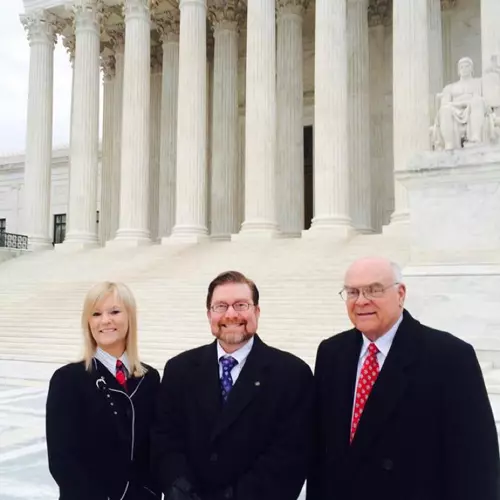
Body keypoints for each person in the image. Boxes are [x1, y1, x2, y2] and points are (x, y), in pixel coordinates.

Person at [307, 257, 500, 500]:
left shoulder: (449, 356)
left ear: (401, 293)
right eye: (352, 292)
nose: (361, 301)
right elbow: (320, 451)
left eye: (374, 290)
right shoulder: (332, 352)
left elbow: (476, 462)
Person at [151, 270, 313, 500]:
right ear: (209, 314)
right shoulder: (179, 369)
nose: (231, 314)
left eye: (241, 305)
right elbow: (164, 437)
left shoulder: (292, 374)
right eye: (220, 306)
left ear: (257, 311)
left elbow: (289, 455)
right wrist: (179, 486)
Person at [46, 281, 161, 500]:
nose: (105, 320)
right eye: (96, 314)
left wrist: (150, 492)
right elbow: (63, 460)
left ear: (130, 317)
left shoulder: (150, 379)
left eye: (115, 311)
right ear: (88, 322)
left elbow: (156, 448)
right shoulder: (68, 379)